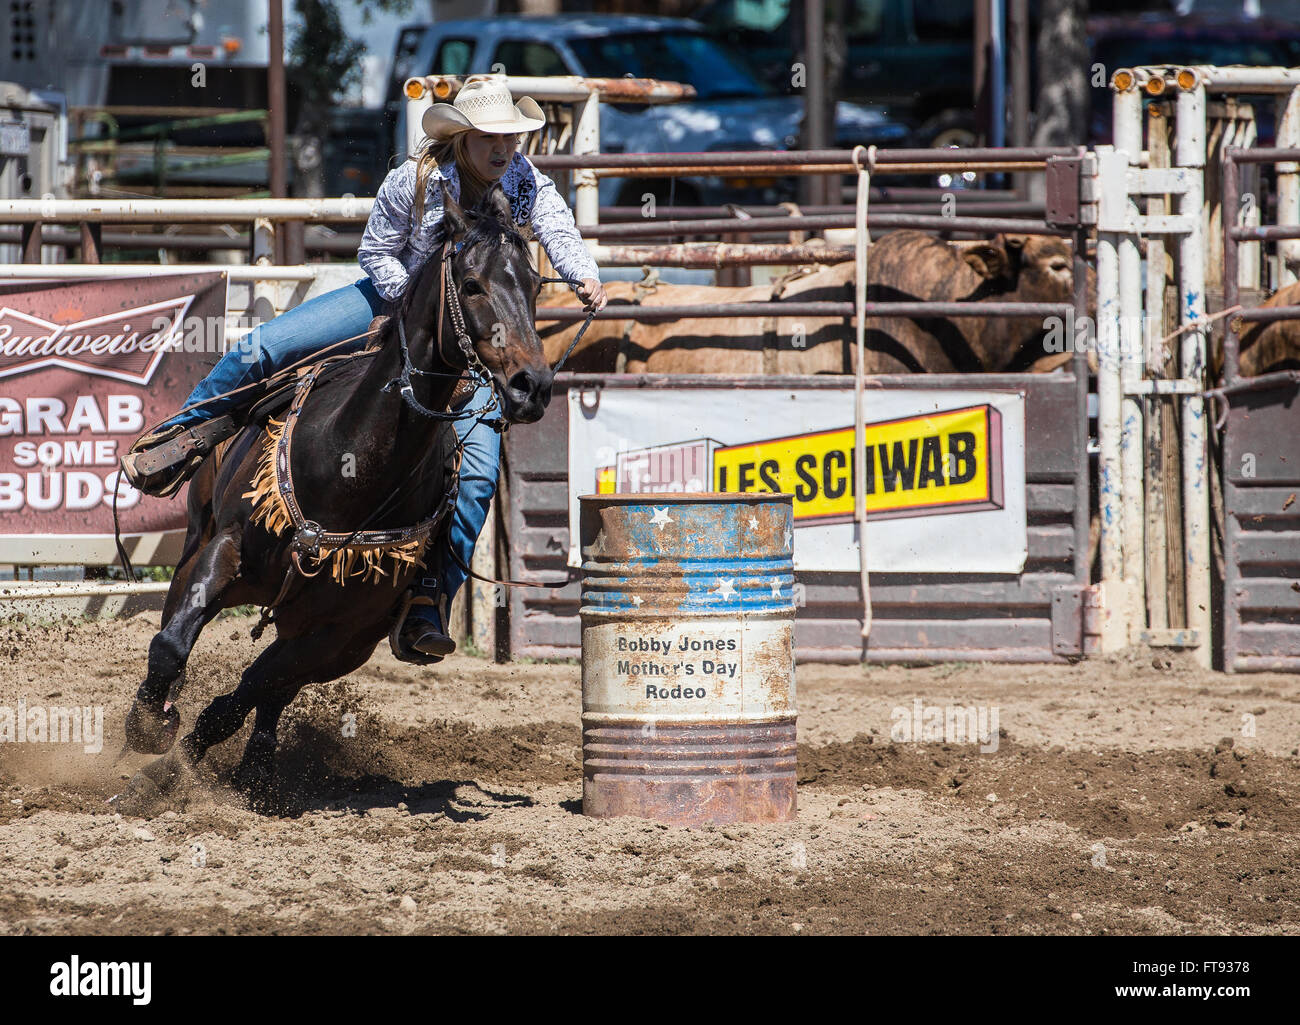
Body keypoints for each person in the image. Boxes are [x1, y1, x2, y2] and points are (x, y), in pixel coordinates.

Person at [121, 78, 607, 663]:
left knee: (477, 473)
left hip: (467, 334)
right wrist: (413, 306)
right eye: (491, 138)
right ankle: (186, 434)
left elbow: (557, 225)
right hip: (389, 298)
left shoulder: (524, 181)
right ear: (464, 138)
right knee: (264, 349)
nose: (503, 149)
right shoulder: (417, 179)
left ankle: (428, 598)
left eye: (511, 137)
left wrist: (582, 273)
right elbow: (376, 253)